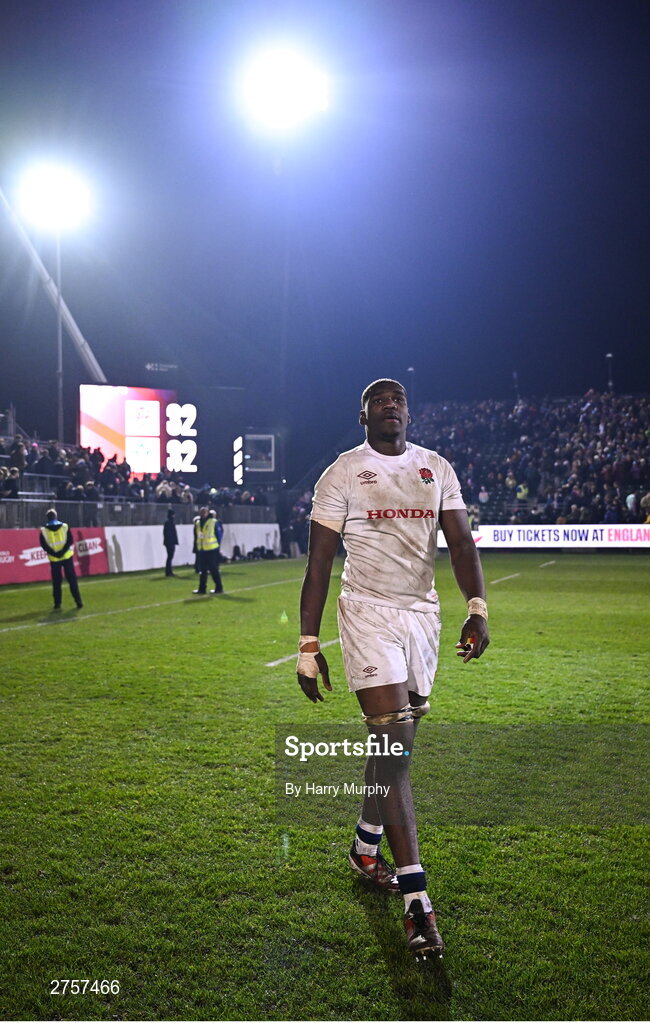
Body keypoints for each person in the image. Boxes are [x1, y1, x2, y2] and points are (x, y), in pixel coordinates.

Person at [296, 378, 489, 960]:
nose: (390, 404)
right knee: (396, 753)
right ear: (363, 416)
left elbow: (459, 544)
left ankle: (363, 846)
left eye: (398, 399)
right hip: (367, 615)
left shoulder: (436, 468)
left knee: (395, 751)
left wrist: (476, 609)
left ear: (409, 413)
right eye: (379, 399)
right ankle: (416, 901)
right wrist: (308, 643)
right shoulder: (342, 473)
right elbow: (320, 565)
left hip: (420, 619)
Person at [39, 508, 83, 610]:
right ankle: (78, 601)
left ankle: (57, 603)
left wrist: (54, 553)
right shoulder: (64, 526)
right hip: (66, 556)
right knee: (72, 580)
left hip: (54, 559)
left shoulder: (43, 530)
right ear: (56, 516)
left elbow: (44, 545)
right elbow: (70, 540)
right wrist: (62, 552)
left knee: (56, 582)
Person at [192, 506, 223, 595]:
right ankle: (202, 589)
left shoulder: (213, 522)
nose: (202, 514)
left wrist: (217, 547)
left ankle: (219, 588)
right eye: (201, 512)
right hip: (202, 550)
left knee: (213, 569)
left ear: (207, 513)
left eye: (204, 512)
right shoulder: (198, 523)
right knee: (203, 571)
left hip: (212, 549)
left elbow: (219, 535)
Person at [163, 508, 179, 577]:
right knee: (170, 557)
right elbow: (171, 534)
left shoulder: (167, 523)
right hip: (170, 543)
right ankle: (168, 572)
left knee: (169, 557)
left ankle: (169, 571)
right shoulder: (170, 523)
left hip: (168, 542)